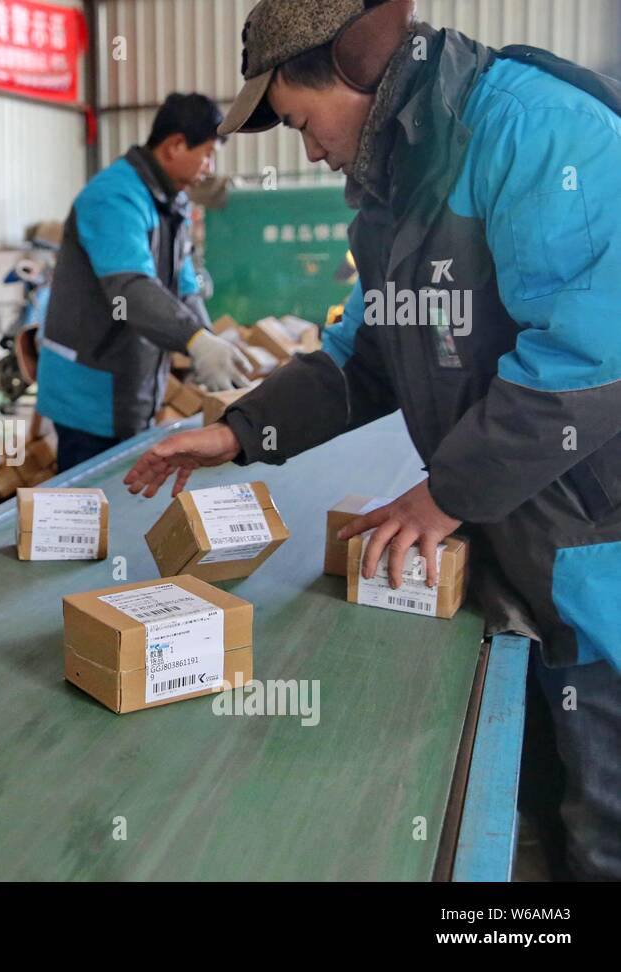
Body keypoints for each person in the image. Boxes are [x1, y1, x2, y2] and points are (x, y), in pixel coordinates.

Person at [125, 0, 621, 880]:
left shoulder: (534, 130)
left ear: (355, 66)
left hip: (598, 538)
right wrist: (238, 433)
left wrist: (440, 497)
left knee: (604, 808)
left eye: (303, 121)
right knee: (536, 795)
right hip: (521, 531)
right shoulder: (393, 192)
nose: (308, 148)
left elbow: (588, 364)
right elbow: (366, 354)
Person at [36, 93, 251, 472]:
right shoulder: (113, 197)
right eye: (207, 154)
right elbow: (131, 287)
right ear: (174, 146)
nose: (209, 167)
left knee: (123, 497)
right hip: (89, 393)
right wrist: (195, 341)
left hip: (134, 385)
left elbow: (184, 285)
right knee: (86, 512)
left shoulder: (171, 203)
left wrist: (210, 339)